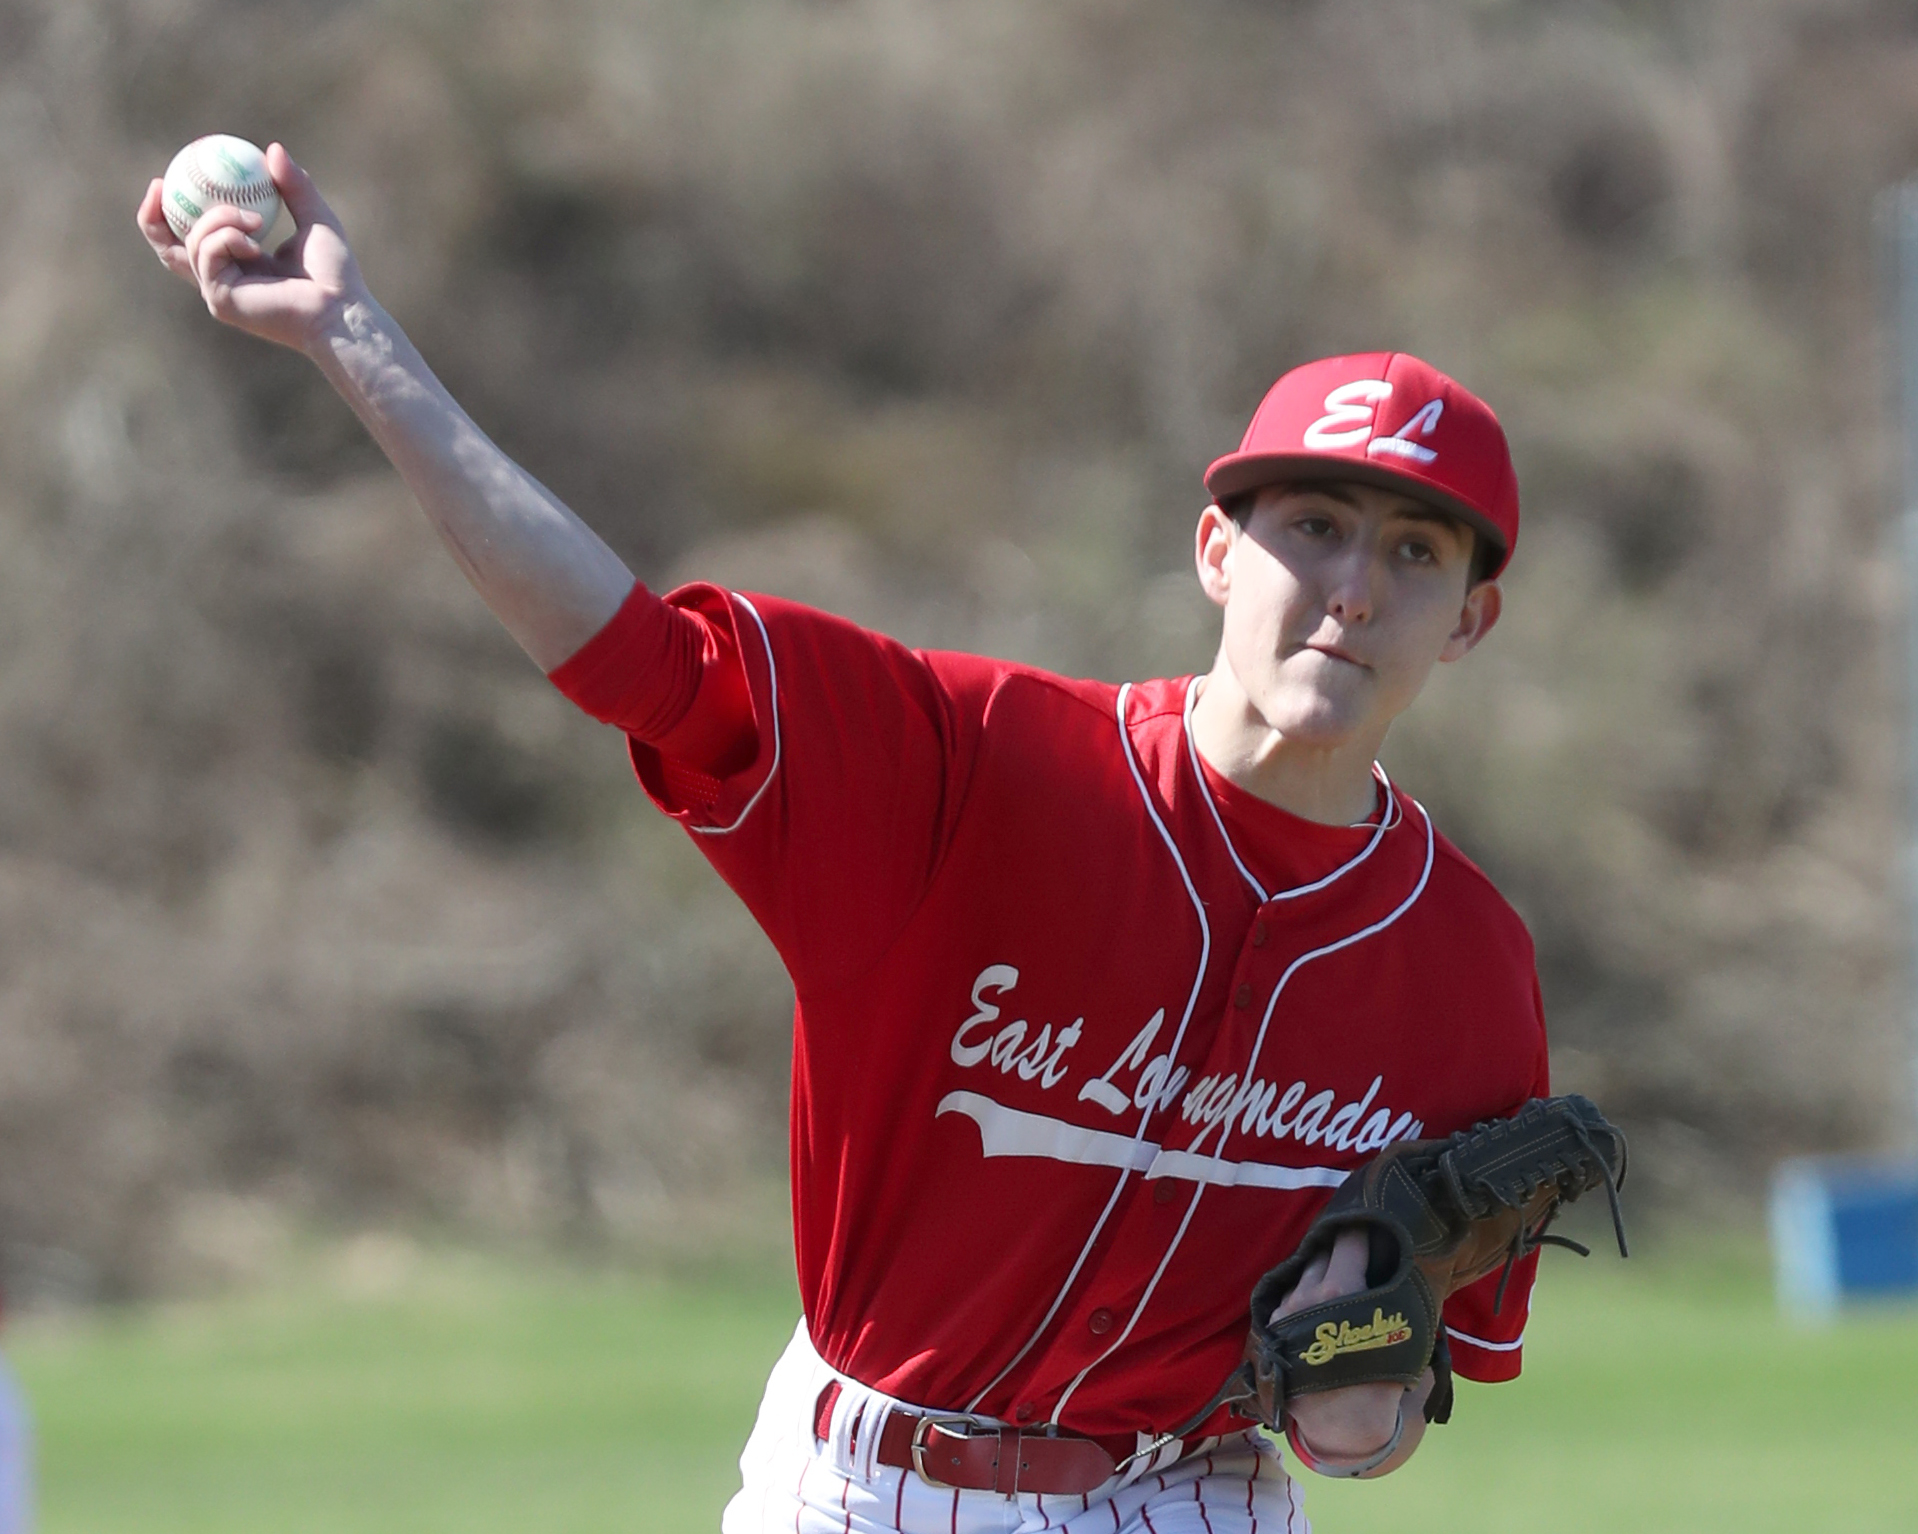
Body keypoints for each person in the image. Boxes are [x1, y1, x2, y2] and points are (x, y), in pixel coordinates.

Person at [138, 146, 1548, 1532]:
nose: (1352, 589)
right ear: (1214, 550)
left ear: (1469, 618)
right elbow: (629, 653)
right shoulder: (975, 761)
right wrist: (352, 340)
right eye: (1312, 524)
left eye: (1414, 552)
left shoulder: (1468, 966)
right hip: (866, 1487)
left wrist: (1362, 1418)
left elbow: (1395, 1403)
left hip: (1191, 1493)